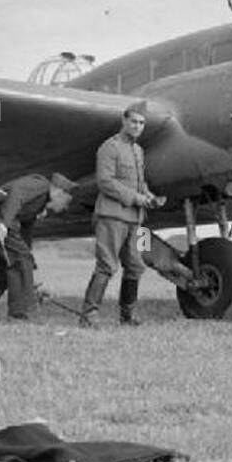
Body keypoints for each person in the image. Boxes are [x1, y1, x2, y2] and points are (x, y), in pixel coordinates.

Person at [78, 104, 165, 327]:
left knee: (135, 266)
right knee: (107, 265)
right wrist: (137, 198)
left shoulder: (138, 151)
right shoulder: (109, 147)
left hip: (134, 219)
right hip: (111, 216)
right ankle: (89, 316)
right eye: (134, 121)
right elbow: (105, 182)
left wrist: (148, 194)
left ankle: (127, 317)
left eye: (142, 123)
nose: (137, 126)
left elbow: (139, 181)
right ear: (124, 121)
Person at [0, 171, 77, 322]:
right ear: (59, 192)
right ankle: (21, 315)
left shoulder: (37, 205)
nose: (65, 208)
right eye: (66, 202)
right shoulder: (41, 184)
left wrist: (28, 272)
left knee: (6, 269)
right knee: (19, 262)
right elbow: (16, 193)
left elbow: (24, 237)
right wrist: (4, 223)